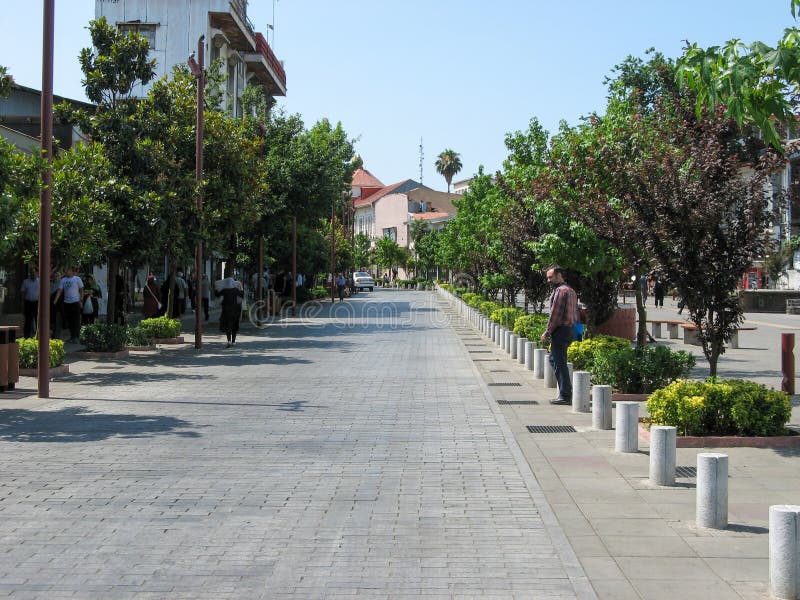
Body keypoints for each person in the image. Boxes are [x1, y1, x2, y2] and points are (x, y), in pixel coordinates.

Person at [540, 266, 578, 405]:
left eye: (551, 277)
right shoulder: (571, 290)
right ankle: (565, 392)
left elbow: (555, 315)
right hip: (570, 329)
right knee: (556, 359)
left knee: (558, 361)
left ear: (559, 275)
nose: (549, 280)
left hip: (561, 330)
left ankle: (565, 395)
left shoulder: (561, 292)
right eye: (548, 278)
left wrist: (547, 332)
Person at [53, 267, 84, 343]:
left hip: (75, 302)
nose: (66, 272)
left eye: (67, 270)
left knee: (76, 320)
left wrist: (81, 300)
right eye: (65, 271)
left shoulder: (77, 279)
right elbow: (60, 290)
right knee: (69, 321)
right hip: (67, 303)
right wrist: (55, 300)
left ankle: (76, 337)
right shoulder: (63, 280)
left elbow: (81, 289)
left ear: (71, 271)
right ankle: (72, 336)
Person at [215, 273, 244, 347]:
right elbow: (241, 298)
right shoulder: (236, 290)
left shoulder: (225, 290)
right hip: (236, 310)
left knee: (228, 325)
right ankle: (234, 341)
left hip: (226, 311)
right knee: (234, 326)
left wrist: (215, 287)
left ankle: (229, 341)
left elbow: (217, 294)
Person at [20, 267, 39, 338]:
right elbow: (22, 292)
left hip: (37, 303)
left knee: (38, 319)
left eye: (34, 273)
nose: (33, 274)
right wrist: (22, 302)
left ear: (37, 273)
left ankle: (38, 335)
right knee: (28, 320)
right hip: (28, 302)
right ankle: (26, 336)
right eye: (31, 273)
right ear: (30, 274)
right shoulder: (26, 282)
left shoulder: (39, 281)